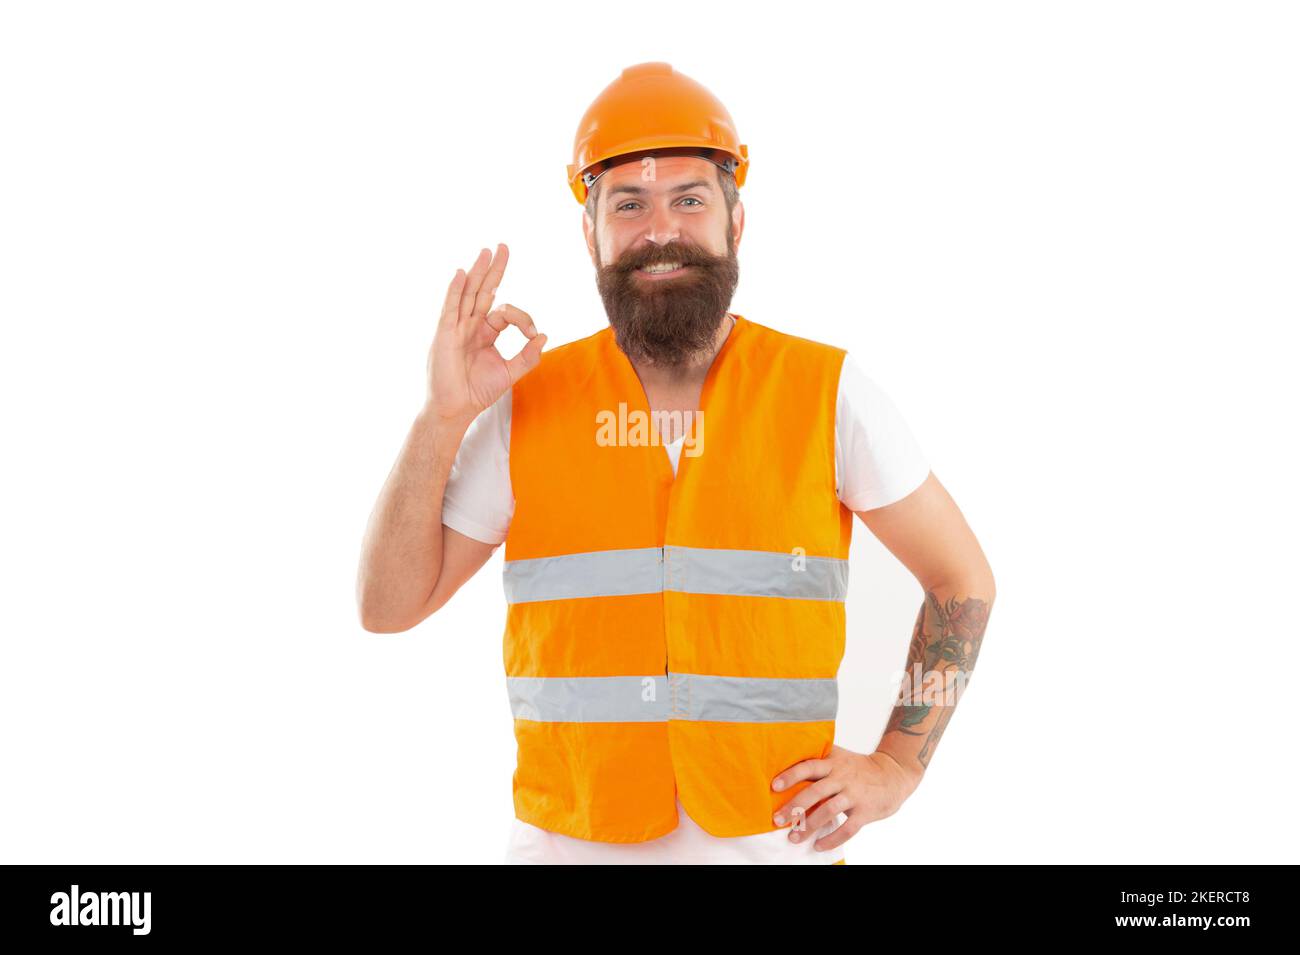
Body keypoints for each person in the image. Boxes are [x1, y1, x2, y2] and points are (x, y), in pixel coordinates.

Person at [357, 63, 996, 865]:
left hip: (776, 847)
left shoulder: (827, 393)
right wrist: (440, 419)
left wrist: (898, 768)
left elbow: (961, 578)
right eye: (629, 204)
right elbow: (386, 607)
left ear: (736, 220)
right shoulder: (526, 403)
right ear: (590, 234)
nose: (661, 230)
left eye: (689, 199)